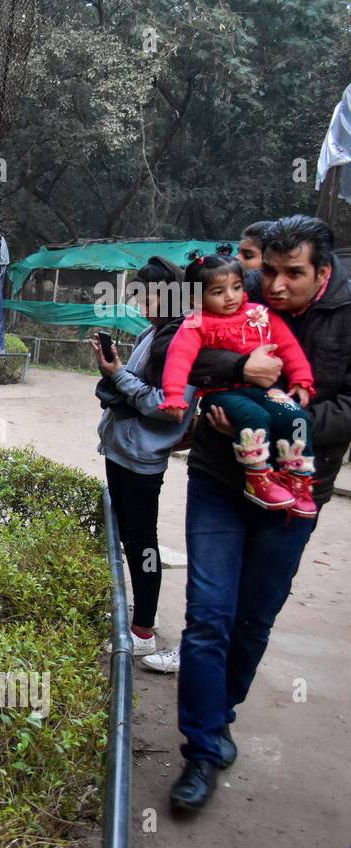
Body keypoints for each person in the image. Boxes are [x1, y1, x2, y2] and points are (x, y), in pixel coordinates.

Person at [168, 214, 351, 813]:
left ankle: (220, 716)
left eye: (291, 274)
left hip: (298, 491)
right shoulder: (235, 289)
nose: (273, 286)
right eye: (266, 271)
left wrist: (273, 423)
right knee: (208, 617)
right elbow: (182, 349)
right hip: (220, 478)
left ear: (322, 272)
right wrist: (236, 374)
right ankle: (199, 748)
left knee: (252, 620)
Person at [158, 254, 319, 519]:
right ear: (195, 298)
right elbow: (178, 359)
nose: (230, 296)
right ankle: (257, 477)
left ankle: (297, 479)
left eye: (236, 287)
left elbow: (288, 348)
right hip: (223, 394)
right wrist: (175, 397)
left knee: (295, 415)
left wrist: (302, 380)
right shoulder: (196, 324)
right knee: (255, 416)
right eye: (218, 292)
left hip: (265, 391)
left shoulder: (261, 314)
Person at [91, 257, 194, 657]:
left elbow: (167, 406)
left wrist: (117, 374)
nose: (140, 302)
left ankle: (143, 630)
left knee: (142, 542)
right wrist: (114, 370)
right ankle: (137, 616)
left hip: (141, 458)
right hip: (123, 449)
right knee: (129, 536)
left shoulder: (180, 339)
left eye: (147, 295)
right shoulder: (157, 332)